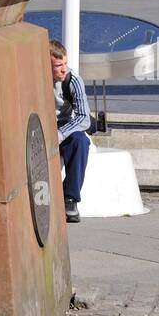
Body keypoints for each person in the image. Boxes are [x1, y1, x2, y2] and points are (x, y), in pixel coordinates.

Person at [48, 39, 90, 223]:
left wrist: (60, 134)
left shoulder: (72, 80)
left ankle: (70, 199)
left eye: (65, 63)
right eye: (58, 66)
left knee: (80, 141)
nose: (64, 69)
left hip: (62, 126)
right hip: (37, 125)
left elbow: (83, 118)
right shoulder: (31, 77)